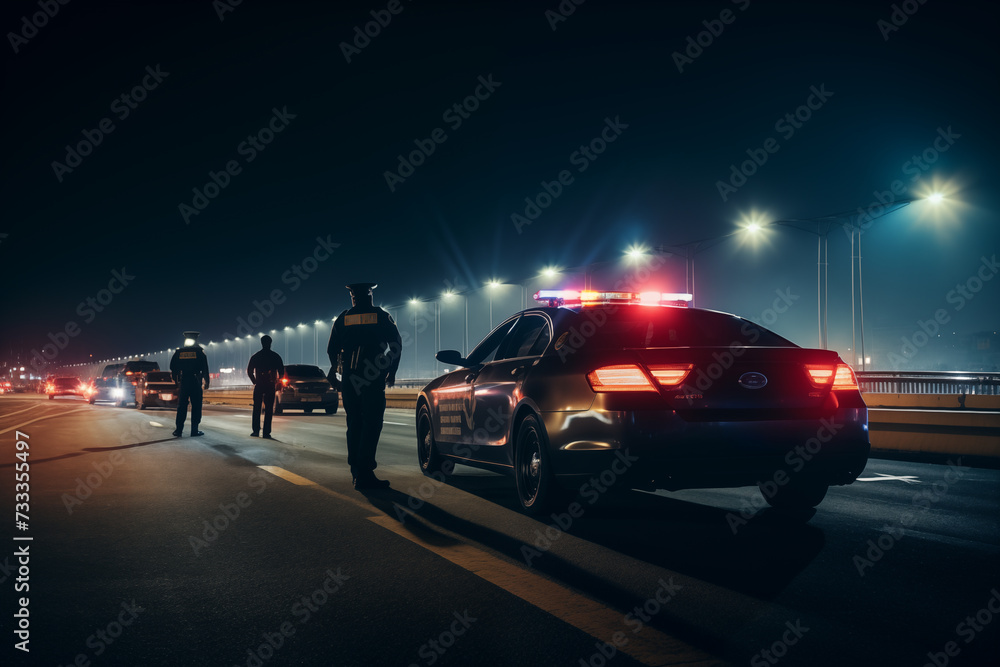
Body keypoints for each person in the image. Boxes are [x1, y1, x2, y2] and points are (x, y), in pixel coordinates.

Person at [327, 282, 402, 490]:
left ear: (353, 297)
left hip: (351, 378)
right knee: (372, 422)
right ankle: (365, 472)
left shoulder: (343, 318)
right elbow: (396, 344)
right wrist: (390, 370)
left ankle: (356, 472)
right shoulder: (380, 315)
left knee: (354, 423)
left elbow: (331, 349)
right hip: (372, 377)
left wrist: (337, 368)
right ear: (370, 296)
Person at [169, 330, 210, 437]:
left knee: (181, 406)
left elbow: (173, 367)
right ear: (196, 339)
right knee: (196, 406)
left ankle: (178, 430)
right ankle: (194, 430)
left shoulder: (179, 352)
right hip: (196, 382)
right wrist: (207, 381)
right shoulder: (200, 352)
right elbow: (205, 368)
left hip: (184, 382)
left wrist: (177, 380)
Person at [247, 334, 284, 439]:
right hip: (270, 385)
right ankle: (267, 432)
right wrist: (277, 382)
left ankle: (255, 431)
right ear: (270, 343)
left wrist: (255, 381)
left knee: (257, 408)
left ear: (261, 343)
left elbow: (249, 371)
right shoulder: (276, 356)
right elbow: (281, 372)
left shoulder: (256, 356)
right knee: (268, 409)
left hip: (259, 384)